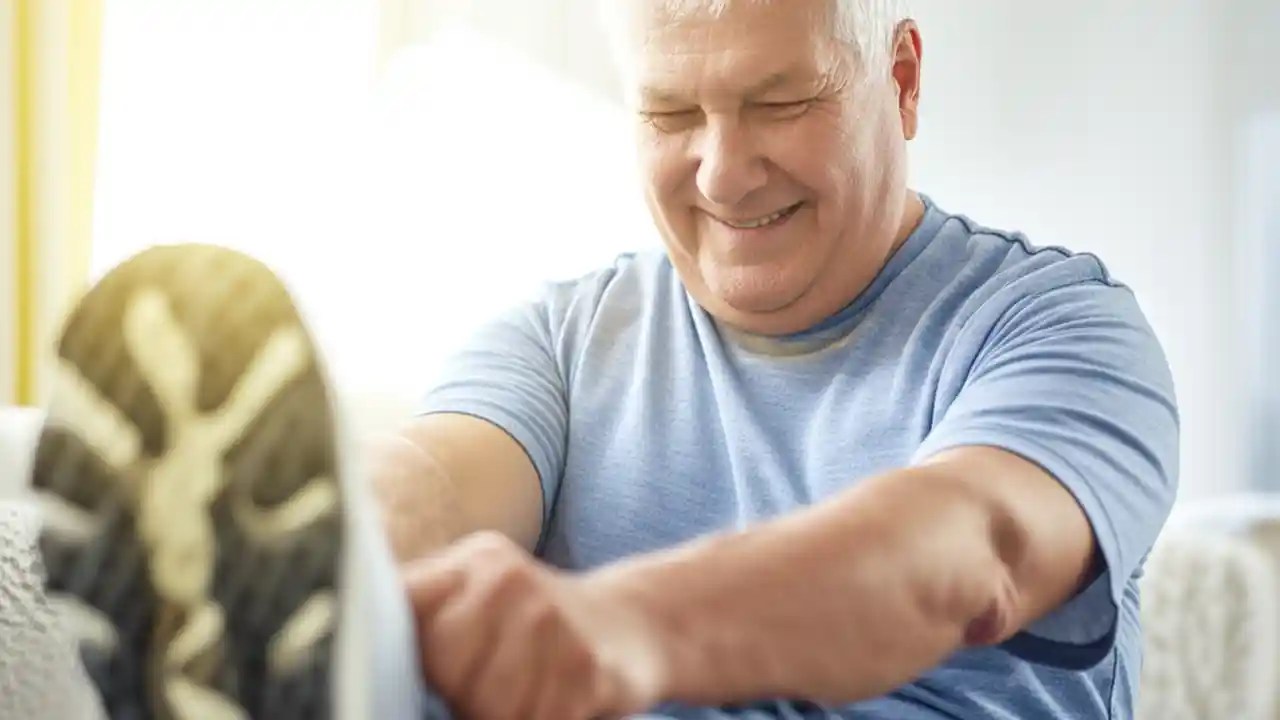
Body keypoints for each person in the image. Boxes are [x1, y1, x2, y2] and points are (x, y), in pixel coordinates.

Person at [27, 0, 1176, 719]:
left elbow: (965, 549)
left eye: (779, 101)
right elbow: (440, 479)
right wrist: (320, 560)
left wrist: (624, 627)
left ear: (903, 78)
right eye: (670, 115)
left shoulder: (1058, 331)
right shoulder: (562, 337)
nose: (721, 171)